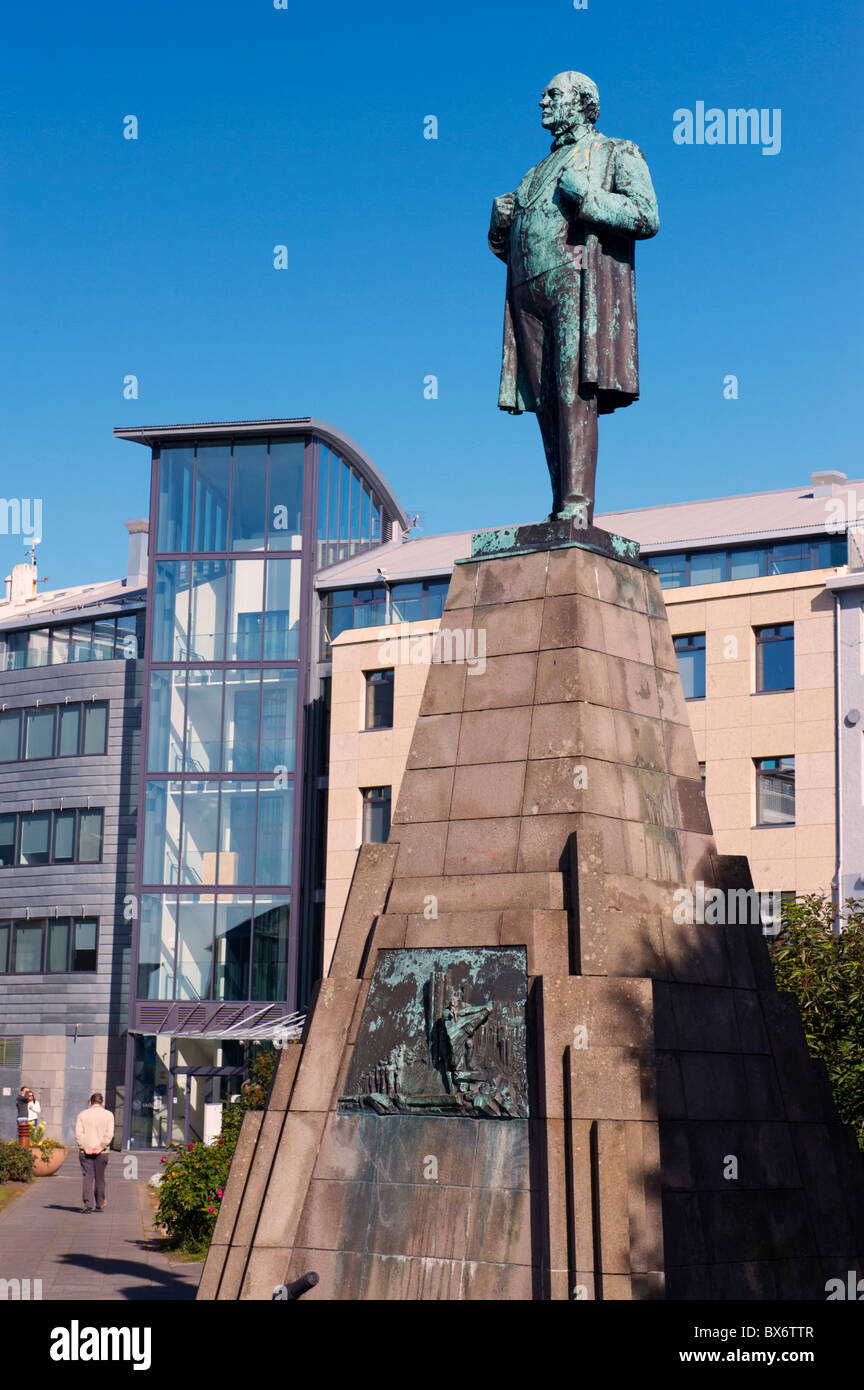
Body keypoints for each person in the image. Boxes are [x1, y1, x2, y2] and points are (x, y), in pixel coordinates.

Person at [489, 71, 659, 525]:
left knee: (572, 392)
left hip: (577, 279)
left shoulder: (616, 151)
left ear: (582, 102)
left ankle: (578, 503)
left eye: (553, 94)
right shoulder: (532, 171)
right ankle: (558, 503)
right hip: (527, 287)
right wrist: (499, 225)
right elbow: (507, 246)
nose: (542, 100)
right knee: (545, 401)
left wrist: (588, 197)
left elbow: (647, 214)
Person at [74, 1092, 115, 1213]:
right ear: (102, 1103)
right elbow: (109, 1134)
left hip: (85, 1151)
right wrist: (101, 1146)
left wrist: (85, 1146)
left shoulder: (82, 1114)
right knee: (100, 1177)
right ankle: (100, 1202)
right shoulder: (109, 1115)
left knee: (88, 1177)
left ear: (90, 1102)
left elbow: (78, 1134)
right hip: (102, 1152)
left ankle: (88, 1204)